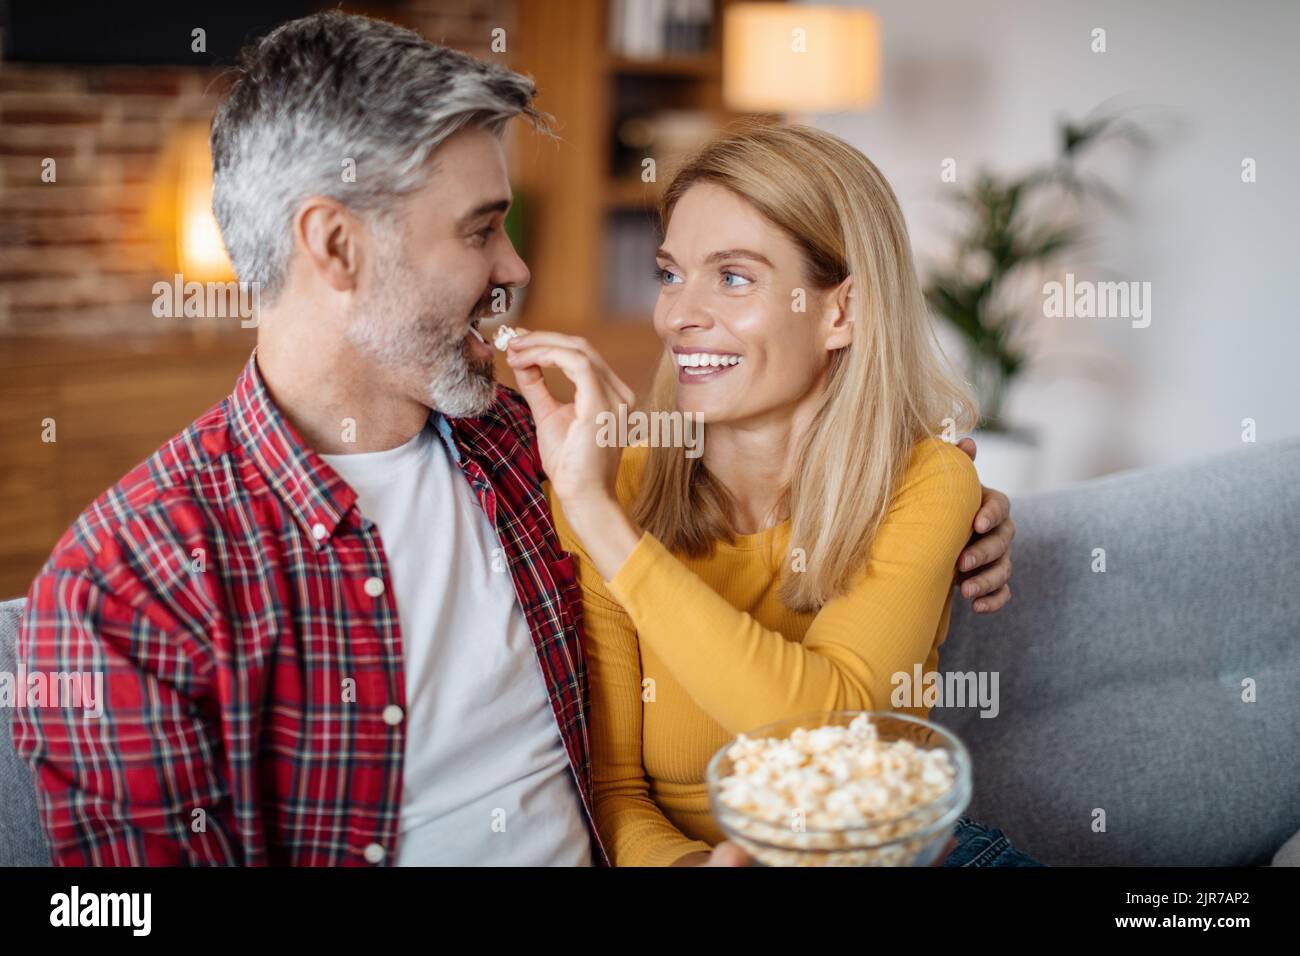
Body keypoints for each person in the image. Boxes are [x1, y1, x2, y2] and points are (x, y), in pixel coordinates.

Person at [13, 13, 1014, 866]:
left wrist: (957, 500)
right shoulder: (127, 585)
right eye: (481, 228)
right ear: (334, 245)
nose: (520, 266)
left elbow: (835, 470)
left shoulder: (539, 450)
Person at [506, 122, 1038, 866]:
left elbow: (833, 737)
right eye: (670, 273)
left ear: (840, 312)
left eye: (732, 277)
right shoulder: (613, 487)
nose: (677, 315)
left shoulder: (924, 481)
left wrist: (604, 527)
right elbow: (615, 791)